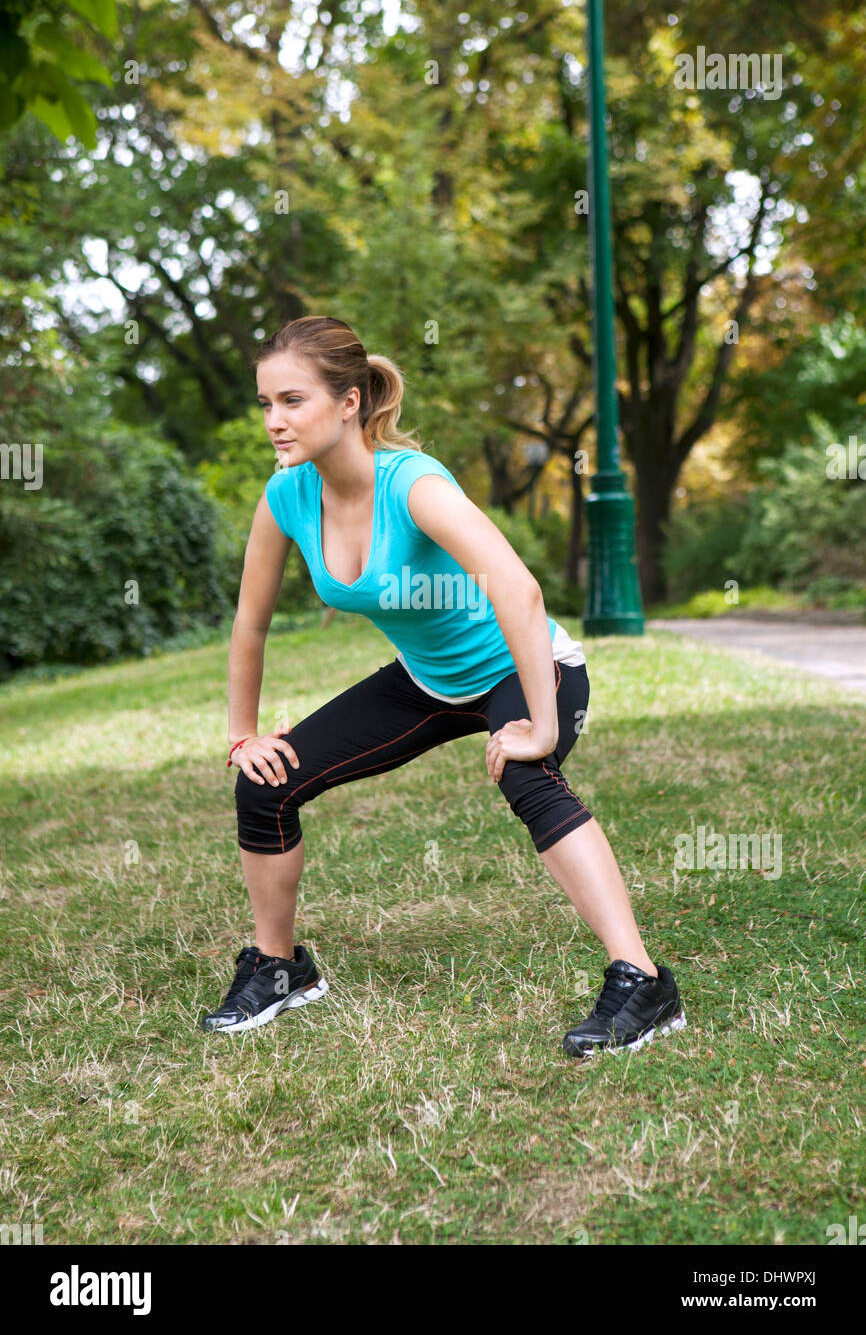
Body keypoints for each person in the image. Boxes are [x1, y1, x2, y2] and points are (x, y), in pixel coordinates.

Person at [203, 315, 686, 1058]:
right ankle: (279, 969)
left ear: (348, 403)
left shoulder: (413, 485)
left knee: (528, 774)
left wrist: (542, 725)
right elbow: (250, 624)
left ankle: (643, 982)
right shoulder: (287, 498)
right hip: (426, 681)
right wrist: (244, 734)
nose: (274, 421)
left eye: (292, 401)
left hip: (526, 667)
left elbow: (517, 592)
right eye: (265, 403)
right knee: (268, 785)